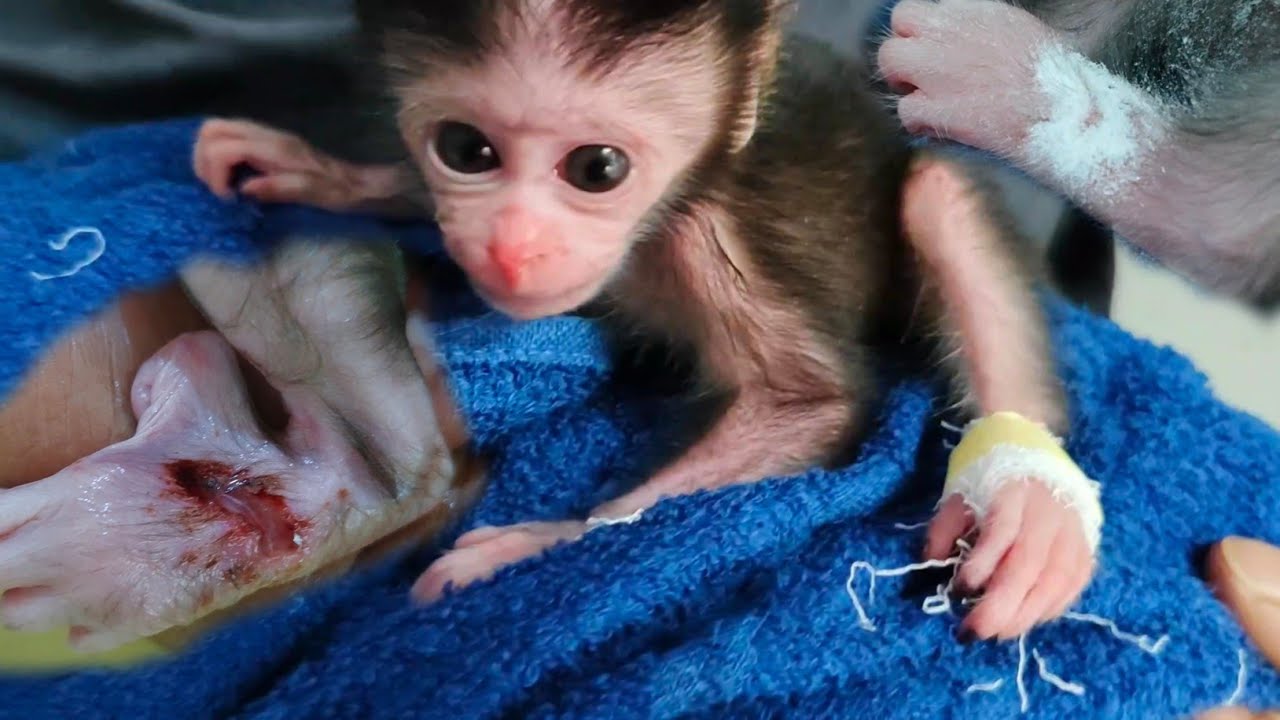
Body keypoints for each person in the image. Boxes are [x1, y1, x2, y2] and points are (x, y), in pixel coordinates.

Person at [0, 3, 1273, 716]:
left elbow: (800, 398)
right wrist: (353, 181)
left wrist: (590, 529)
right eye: (466, 150)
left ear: (736, 99)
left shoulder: (719, 234)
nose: (514, 245)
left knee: (938, 208)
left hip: (927, 320)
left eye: (593, 168)